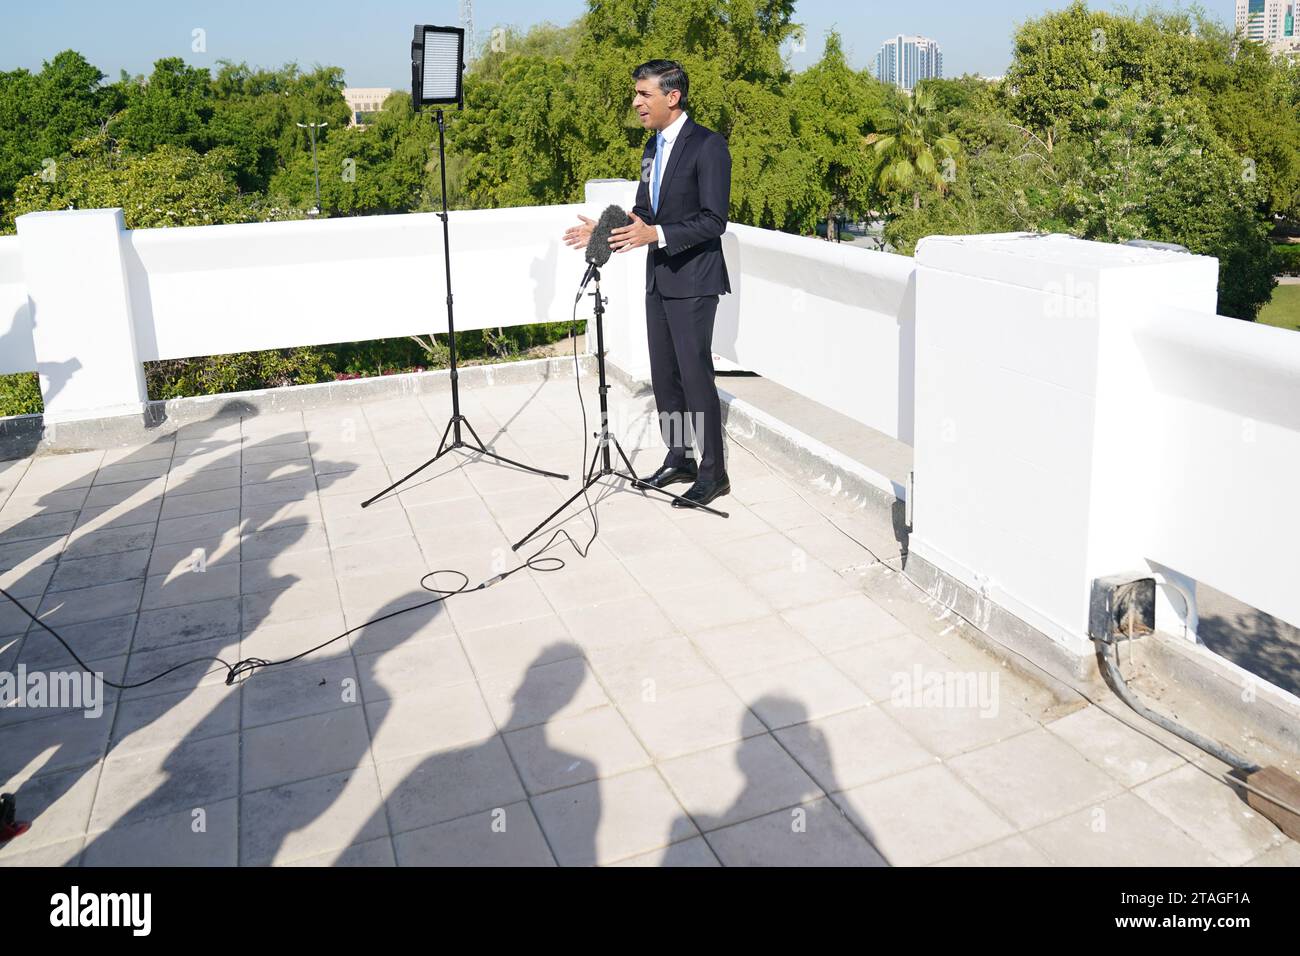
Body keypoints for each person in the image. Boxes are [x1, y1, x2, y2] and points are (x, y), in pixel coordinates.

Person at [564, 59, 733, 508]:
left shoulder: (708, 146)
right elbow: (646, 212)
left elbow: (714, 220)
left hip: (695, 279)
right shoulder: (651, 148)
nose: (636, 102)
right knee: (666, 378)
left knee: (696, 379)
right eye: (636, 94)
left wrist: (656, 235)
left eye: (644, 94)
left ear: (671, 97)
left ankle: (714, 474)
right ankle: (681, 458)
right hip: (658, 278)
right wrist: (601, 231)